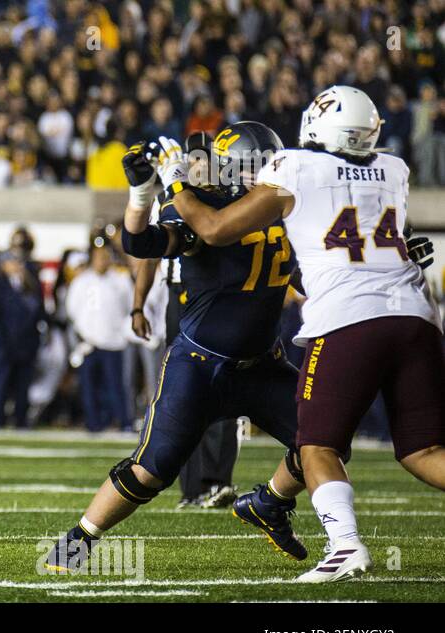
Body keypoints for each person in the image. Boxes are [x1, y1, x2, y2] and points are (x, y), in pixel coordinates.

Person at [157, 86, 445, 582]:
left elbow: (216, 229)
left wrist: (174, 184)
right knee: (424, 451)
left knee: (316, 445)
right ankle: (270, 501)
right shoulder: (395, 169)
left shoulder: (295, 167)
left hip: (349, 318)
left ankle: (344, 546)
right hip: (417, 316)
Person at [47, 122, 314, 574]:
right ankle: (78, 540)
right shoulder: (202, 203)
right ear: (233, 170)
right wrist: (139, 195)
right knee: (151, 469)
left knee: (324, 439)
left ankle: (270, 502)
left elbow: (313, 277)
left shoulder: (289, 210)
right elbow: (141, 243)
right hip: (200, 365)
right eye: (258, 164)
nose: (270, 171)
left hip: (263, 365)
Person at [130, 131, 239, 509]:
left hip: (217, 298)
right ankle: (192, 488)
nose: (198, 166)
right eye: (193, 159)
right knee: (182, 389)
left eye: (205, 159)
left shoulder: (229, 197)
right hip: (180, 300)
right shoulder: (168, 198)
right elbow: (149, 253)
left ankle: (215, 481)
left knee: (223, 386)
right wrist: (137, 304)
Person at [65, 241, 132, 432]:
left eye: (105, 256)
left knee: (115, 385)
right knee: (89, 386)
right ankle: (93, 423)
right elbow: (72, 309)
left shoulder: (120, 279)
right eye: (98, 256)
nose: (102, 260)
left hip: (113, 341)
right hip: (89, 341)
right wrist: (83, 332)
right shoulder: (82, 281)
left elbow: (129, 306)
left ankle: (122, 421)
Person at [0, 252, 44, 429]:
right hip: (3, 344)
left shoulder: (29, 285)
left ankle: (21, 421)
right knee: (0, 383)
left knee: (22, 386)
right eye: (12, 261)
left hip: (25, 343)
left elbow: (40, 312)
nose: (17, 265)